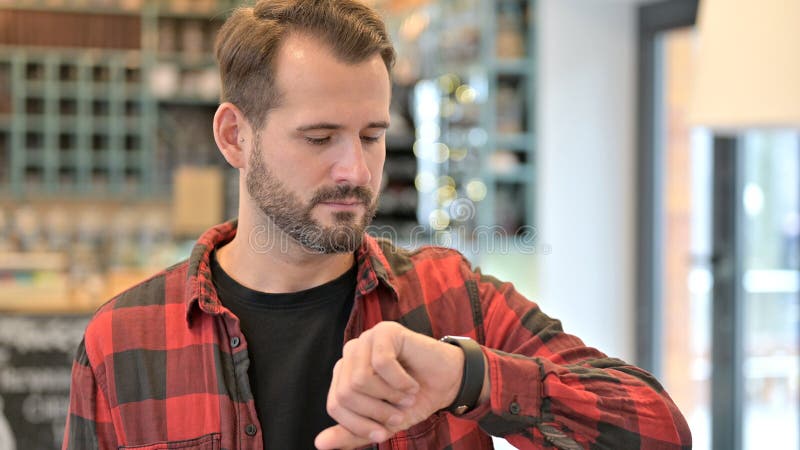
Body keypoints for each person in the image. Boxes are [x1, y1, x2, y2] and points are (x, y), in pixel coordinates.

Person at [63, 0, 692, 449]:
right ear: (235, 136)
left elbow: (660, 430)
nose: (354, 169)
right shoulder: (123, 341)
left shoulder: (452, 301)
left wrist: (467, 377)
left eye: (372, 135)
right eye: (320, 137)